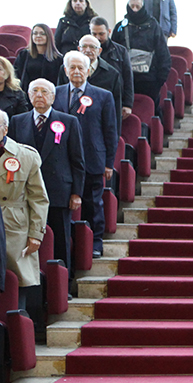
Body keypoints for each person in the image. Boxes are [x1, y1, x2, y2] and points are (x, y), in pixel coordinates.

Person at [10, 78, 85, 282]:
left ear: (53, 97)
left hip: (59, 192)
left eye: (45, 91)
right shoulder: (18, 121)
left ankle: (64, 285)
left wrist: (76, 193)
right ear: (28, 95)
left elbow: (77, 160)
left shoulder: (69, 121)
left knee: (60, 240)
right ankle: (33, 285)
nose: (40, 95)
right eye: (35, 91)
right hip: (26, 194)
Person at [52, 51, 117, 257]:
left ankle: (95, 243)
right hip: (62, 162)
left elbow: (110, 131)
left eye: (81, 67)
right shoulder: (55, 93)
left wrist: (108, 163)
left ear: (89, 71)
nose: (77, 71)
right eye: (72, 67)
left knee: (93, 204)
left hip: (93, 159)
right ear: (65, 70)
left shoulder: (103, 96)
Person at [0, 110, 48, 335]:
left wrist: (36, 234)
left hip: (14, 225)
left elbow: (38, 198)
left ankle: (16, 337)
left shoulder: (26, 155)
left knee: (17, 281)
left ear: (5, 129)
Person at [111, 0, 171, 108]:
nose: (134, 10)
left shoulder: (154, 26)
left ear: (143, 6)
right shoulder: (120, 27)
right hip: (124, 82)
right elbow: (112, 55)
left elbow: (163, 55)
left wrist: (158, 82)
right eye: (132, 6)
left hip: (149, 82)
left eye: (137, 7)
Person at [67, 35, 123, 134]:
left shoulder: (112, 73)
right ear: (78, 48)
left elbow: (116, 109)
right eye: (84, 46)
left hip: (96, 129)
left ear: (100, 51)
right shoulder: (66, 69)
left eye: (92, 47)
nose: (87, 50)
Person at [90, 17, 134, 119]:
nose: (97, 38)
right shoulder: (83, 54)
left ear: (109, 31)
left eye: (101, 34)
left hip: (114, 100)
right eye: (94, 34)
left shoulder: (121, 51)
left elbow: (128, 78)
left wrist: (128, 104)